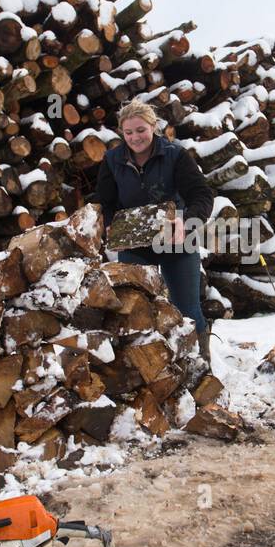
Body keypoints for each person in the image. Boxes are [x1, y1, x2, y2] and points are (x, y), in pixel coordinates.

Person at [95, 100, 215, 366]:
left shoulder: (175, 155)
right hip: (134, 244)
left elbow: (202, 194)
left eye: (141, 130)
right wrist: (109, 223)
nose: (135, 137)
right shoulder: (112, 160)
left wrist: (189, 221)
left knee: (187, 310)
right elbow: (105, 201)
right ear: (121, 134)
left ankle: (200, 366)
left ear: (154, 126)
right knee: (136, 311)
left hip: (177, 240)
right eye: (129, 133)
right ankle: (148, 370)